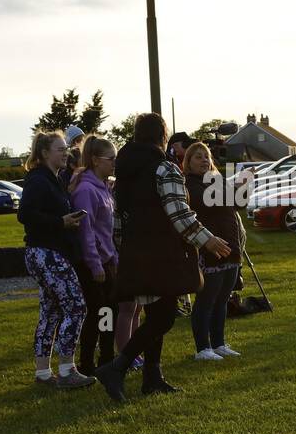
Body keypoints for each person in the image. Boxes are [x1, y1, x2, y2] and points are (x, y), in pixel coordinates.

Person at [93, 113, 231, 402]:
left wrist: (124, 250)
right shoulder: (164, 168)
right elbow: (179, 213)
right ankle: (117, 367)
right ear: (162, 136)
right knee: (164, 317)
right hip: (162, 253)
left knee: (156, 315)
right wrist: (208, 240)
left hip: (134, 250)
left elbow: (119, 218)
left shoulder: (125, 171)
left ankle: (152, 377)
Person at [18, 131, 95, 389]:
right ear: (44, 153)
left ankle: (42, 374)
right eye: (60, 149)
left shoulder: (53, 179)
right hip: (46, 253)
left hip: (45, 252)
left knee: (50, 312)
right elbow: (25, 214)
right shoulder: (39, 180)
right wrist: (60, 221)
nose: (66, 153)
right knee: (76, 306)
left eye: (65, 148)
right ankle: (66, 370)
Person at [184, 142, 248, 360]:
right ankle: (203, 348)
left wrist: (244, 185)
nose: (203, 160)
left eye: (206, 157)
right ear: (188, 163)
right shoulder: (190, 185)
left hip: (230, 245)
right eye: (197, 157)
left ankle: (219, 343)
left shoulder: (216, 180)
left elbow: (238, 204)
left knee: (223, 298)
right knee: (207, 298)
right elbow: (208, 202)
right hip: (208, 247)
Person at [70, 136, 119, 375]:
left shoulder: (104, 187)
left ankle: (107, 358)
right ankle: (87, 362)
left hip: (107, 260)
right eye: (111, 159)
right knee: (96, 313)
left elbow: (106, 230)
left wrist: (113, 258)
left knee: (109, 311)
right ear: (96, 160)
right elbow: (86, 230)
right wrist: (95, 264)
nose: (114, 163)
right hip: (93, 264)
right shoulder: (86, 190)